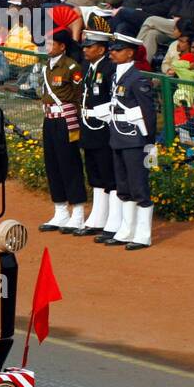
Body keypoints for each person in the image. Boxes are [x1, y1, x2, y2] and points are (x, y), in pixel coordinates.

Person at [103, 37, 158, 249]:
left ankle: (143, 234)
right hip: (118, 137)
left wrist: (149, 143)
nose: (112, 53)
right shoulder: (118, 76)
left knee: (139, 187)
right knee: (124, 187)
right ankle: (127, 229)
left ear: (130, 53)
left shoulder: (137, 79)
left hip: (135, 140)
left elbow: (148, 113)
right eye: (112, 49)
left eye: (118, 50)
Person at [37, 29, 87, 231]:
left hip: (66, 119)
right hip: (49, 118)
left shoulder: (71, 67)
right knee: (53, 163)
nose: (47, 46)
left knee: (70, 163)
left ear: (62, 46)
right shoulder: (46, 67)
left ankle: (78, 211)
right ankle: (60, 210)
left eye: (51, 43)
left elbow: (77, 95)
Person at [73, 25, 117, 236]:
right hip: (89, 127)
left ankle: (111, 219)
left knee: (107, 171)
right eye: (85, 46)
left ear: (101, 49)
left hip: (104, 127)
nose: (85, 50)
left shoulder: (109, 68)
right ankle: (99, 216)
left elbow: (114, 99)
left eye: (90, 47)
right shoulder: (88, 66)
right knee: (94, 171)